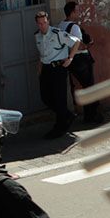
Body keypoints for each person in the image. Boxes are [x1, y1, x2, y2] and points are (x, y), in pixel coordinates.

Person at [33, 10, 75, 138]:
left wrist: (70, 58)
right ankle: (67, 115)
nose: (43, 26)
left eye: (44, 23)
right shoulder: (37, 36)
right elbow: (42, 54)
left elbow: (76, 42)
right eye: (40, 23)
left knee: (59, 98)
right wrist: (40, 69)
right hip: (46, 69)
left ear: (48, 22)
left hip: (58, 68)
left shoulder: (57, 33)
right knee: (46, 97)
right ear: (37, 24)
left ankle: (60, 126)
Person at [59, 0, 101, 126]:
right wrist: (88, 45)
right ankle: (91, 115)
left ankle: (89, 114)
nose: (79, 13)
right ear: (72, 13)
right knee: (89, 87)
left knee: (85, 86)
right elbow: (80, 45)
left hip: (71, 59)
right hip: (81, 58)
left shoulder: (61, 25)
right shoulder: (74, 27)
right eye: (77, 11)